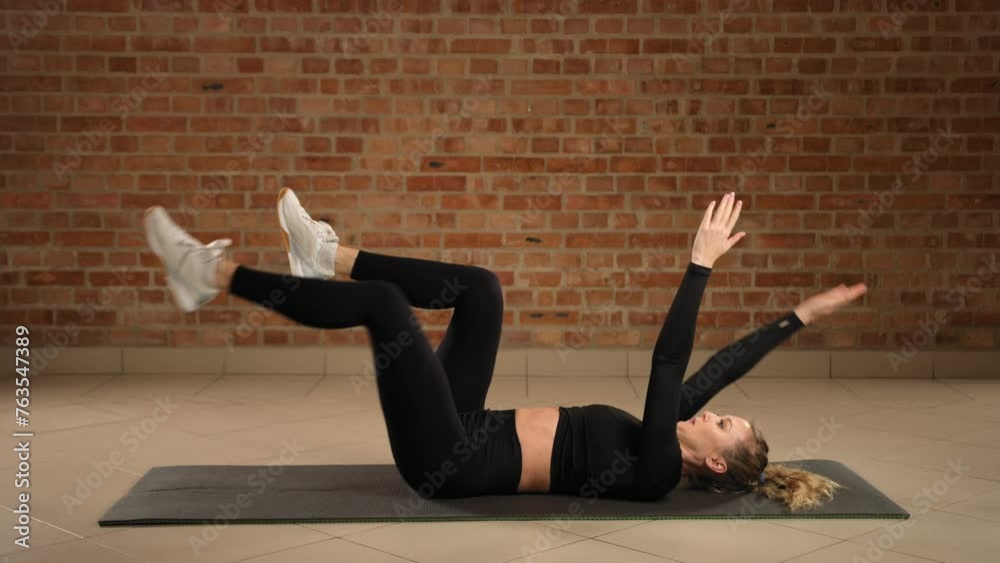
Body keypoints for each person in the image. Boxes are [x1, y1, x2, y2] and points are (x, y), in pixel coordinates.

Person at [143, 188, 867, 510]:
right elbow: (717, 366)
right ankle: (325, 253)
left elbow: (671, 362)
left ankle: (208, 274)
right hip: (469, 423)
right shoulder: (665, 427)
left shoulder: (653, 469)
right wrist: (802, 312)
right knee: (483, 289)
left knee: (388, 309)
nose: (716, 412)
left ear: (712, 460)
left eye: (725, 424)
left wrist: (700, 262)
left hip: (447, 462)